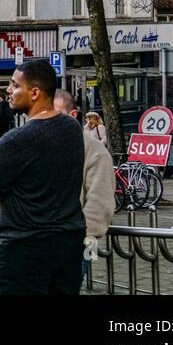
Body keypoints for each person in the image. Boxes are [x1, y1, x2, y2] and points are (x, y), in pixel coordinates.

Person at [0, 60, 86, 295]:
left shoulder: (16, 140)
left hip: (24, 248)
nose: (8, 90)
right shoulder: (72, 128)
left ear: (35, 92)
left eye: (15, 85)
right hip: (68, 242)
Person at [55, 89, 115, 277]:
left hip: (77, 241)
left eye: (56, 115)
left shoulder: (95, 151)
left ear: (73, 115)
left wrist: (82, 237)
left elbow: (100, 203)